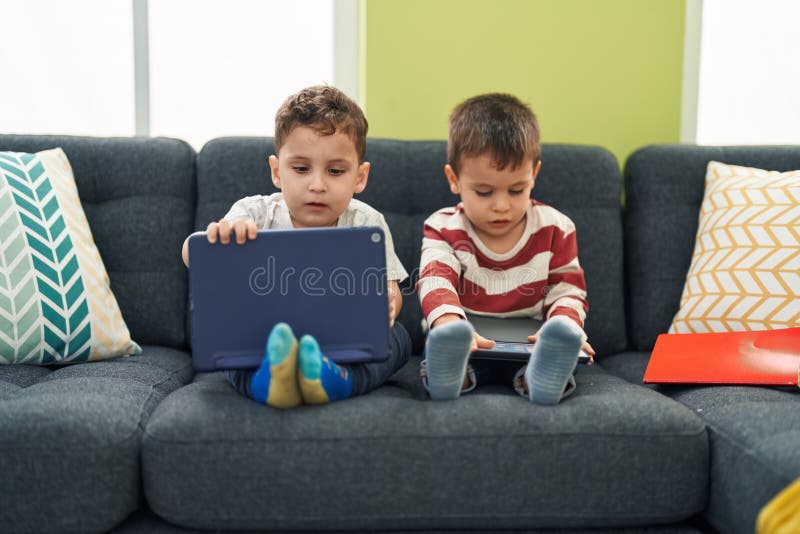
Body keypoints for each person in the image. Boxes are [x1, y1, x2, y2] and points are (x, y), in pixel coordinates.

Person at [181, 85, 411, 409]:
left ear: (360, 177)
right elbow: (195, 256)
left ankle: (333, 379)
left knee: (399, 337)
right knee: (229, 344)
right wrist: (223, 236)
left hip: (340, 341)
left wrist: (390, 302)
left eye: (335, 171)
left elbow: (390, 288)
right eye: (301, 169)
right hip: (265, 338)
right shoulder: (253, 212)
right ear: (277, 171)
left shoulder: (366, 221)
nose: (317, 184)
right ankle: (269, 382)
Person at [417, 93, 595, 405]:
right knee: (448, 354)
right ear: (454, 179)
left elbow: (567, 291)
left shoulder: (556, 227)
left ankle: (537, 380)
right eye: (484, 192)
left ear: (534, 175)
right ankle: (451, 377)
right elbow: (435, 279)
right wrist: (450, 323)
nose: (502, 206)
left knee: (554, 356)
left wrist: (564, 324)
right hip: (466, 339)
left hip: (531, 345)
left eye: (517, 190)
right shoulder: (443, 226)